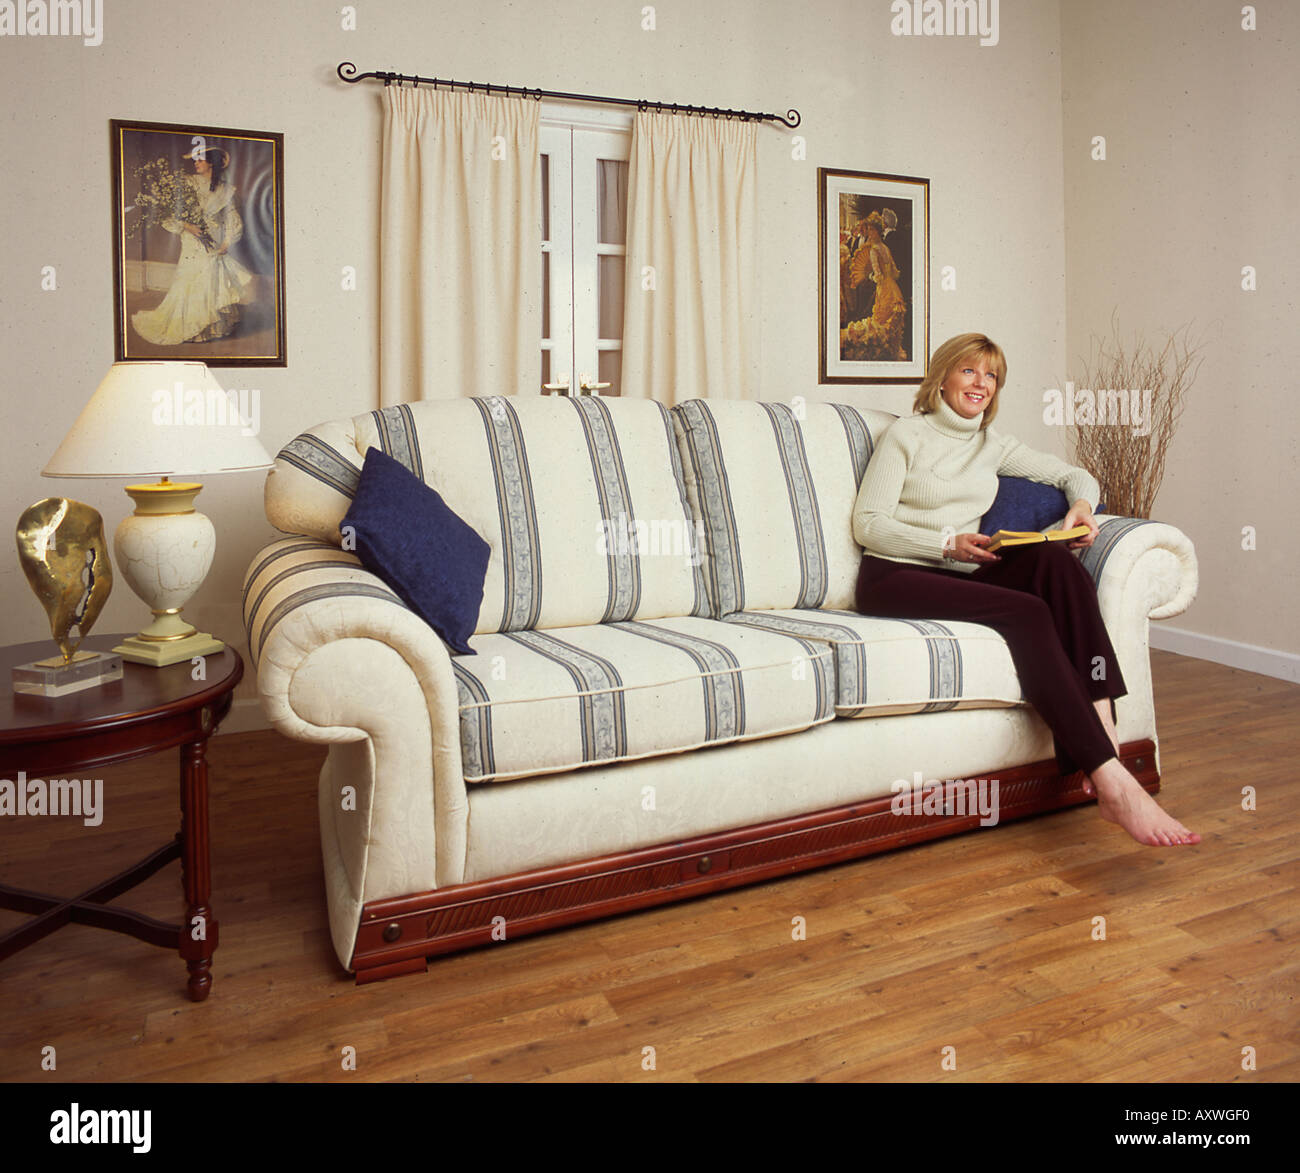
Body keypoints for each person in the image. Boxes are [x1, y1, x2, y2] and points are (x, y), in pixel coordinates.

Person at [852, 332, 1199, 847]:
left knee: (1056, 566)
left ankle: (1102, 733)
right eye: (969, 371)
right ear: (942, 378)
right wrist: (947, 543)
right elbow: (868, 524)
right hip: (894, 575)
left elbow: (1073, 474)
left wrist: (1081, 509)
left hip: (961, 569)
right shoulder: (906, 436)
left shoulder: (992, 445)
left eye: (991, 375)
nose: (981, 383)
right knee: (1027, 612)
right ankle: (1112, 783)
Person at [132, 146, 254, 346]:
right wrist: (188, 226)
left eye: (200, 160)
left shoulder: (225, 189)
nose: (196, 163)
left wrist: (226, 242)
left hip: (214, 239)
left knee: (212, 279)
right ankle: (190, 325)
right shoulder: (186, 183)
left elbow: (233, 218)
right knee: (191, 279)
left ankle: (210, 327)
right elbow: (168, 214)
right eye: (195, 160)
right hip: (191, 239)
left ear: (211, 162)